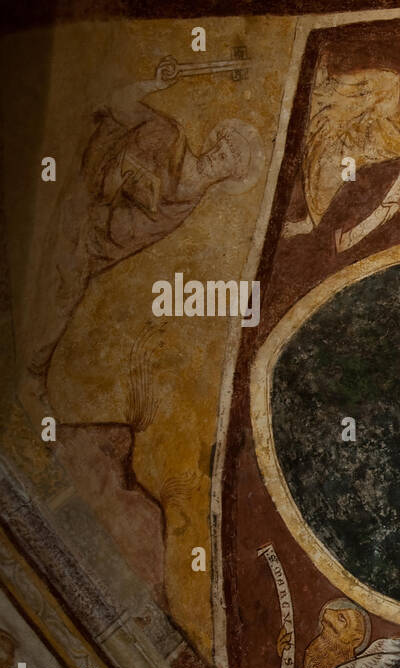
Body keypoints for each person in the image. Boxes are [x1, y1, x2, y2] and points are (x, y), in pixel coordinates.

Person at [17, 72, 258, 423]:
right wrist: (155, 84)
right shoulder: (170, 134)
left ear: (229, 177)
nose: (217, 156)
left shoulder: (183, 206)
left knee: (65, 291)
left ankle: (32, 376)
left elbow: (128, 234)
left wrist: (122, 191)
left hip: (90, 234)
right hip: (77, 190)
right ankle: (30, 374)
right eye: (221, 147)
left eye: (227, 160)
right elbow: (117, 104)